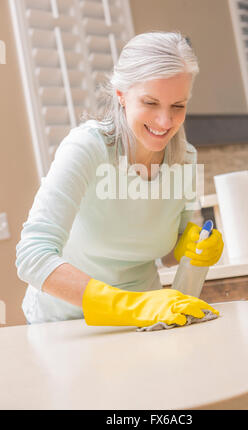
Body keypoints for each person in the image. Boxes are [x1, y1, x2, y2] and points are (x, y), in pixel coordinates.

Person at [15, 31, 224, 327]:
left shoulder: (184, 158)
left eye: (178, 106)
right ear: (121, 95)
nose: (165, 122)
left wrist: (188, 248)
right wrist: (128, 305)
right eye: (151, 103)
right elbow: (31, 256)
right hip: (64, 326)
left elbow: (166, 254)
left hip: (145, 326)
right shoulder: (87, 148)